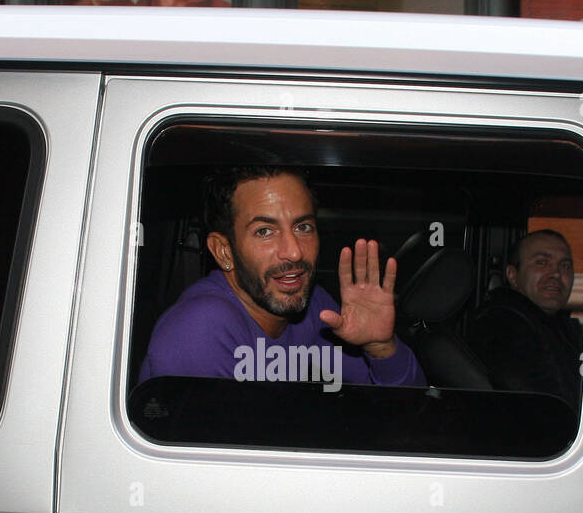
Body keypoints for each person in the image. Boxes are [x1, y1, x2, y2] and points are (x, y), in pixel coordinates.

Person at [139, 166, 425, 388]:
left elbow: (406, 413)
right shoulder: (200, 328)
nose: (294, 252)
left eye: (303, 227)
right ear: (224, 251)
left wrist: (380, 347)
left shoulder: (314, 308)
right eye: (264, 231)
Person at [465, 229, 583, 411]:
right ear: (512, 275)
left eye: (565, 266)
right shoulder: (503, 325)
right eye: (542, 263)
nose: (557, 274)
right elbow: (540, 406)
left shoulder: (557, 326)